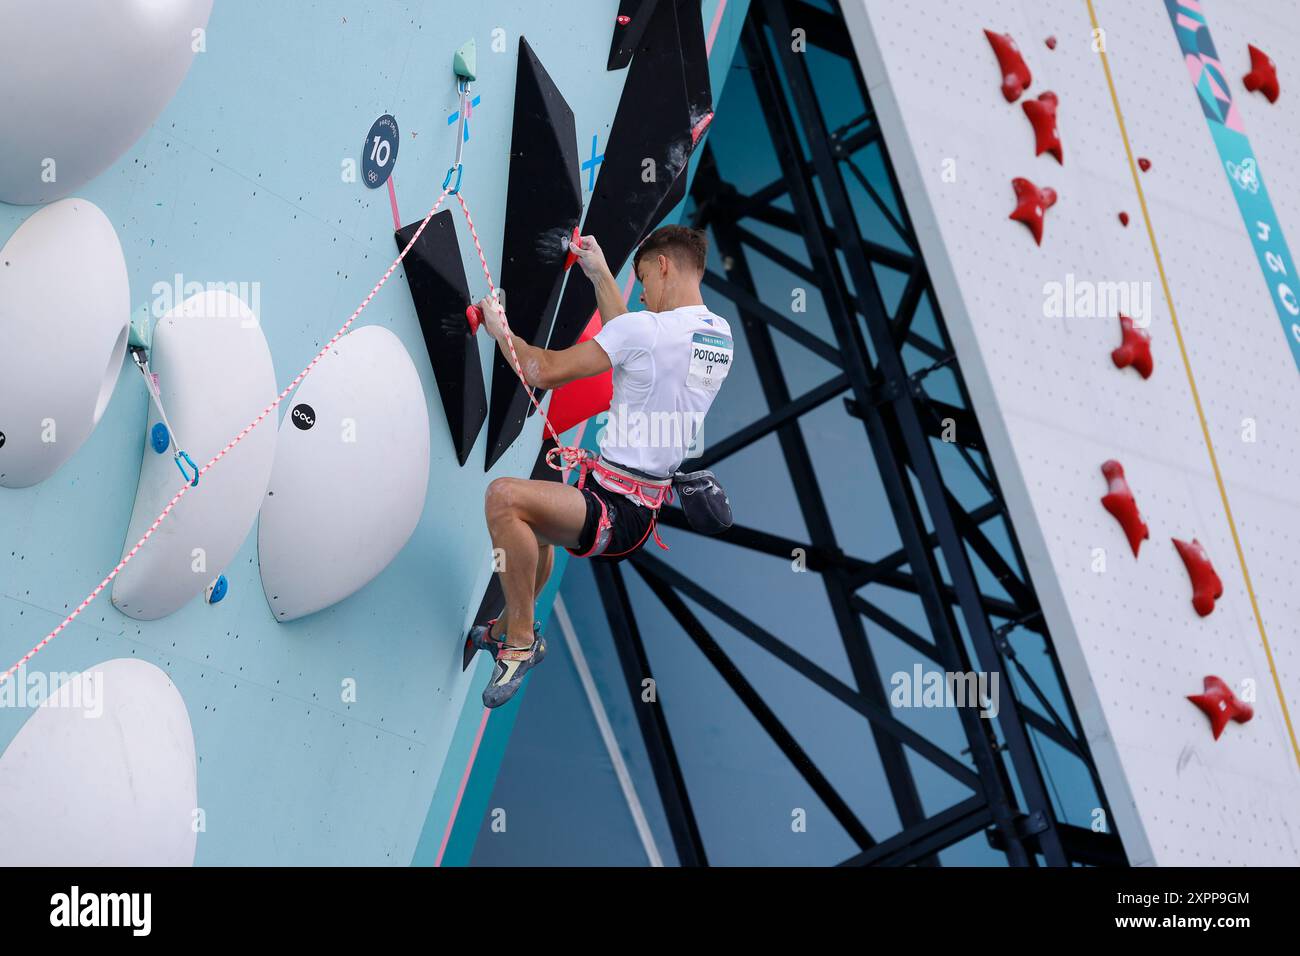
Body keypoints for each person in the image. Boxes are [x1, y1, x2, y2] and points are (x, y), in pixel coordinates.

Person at [469, 224, 735, 707]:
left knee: (505, 500)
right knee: (538, 526)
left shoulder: (649, 331)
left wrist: (498, 328)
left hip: (615, 506)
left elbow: (542, 371)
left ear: (663, 266)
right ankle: (504, 625)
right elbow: (636, 344)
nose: (646, 297)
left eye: (645, 283)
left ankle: (521, 643)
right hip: (636, 511)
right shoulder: (719, 337)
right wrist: (598, 273)